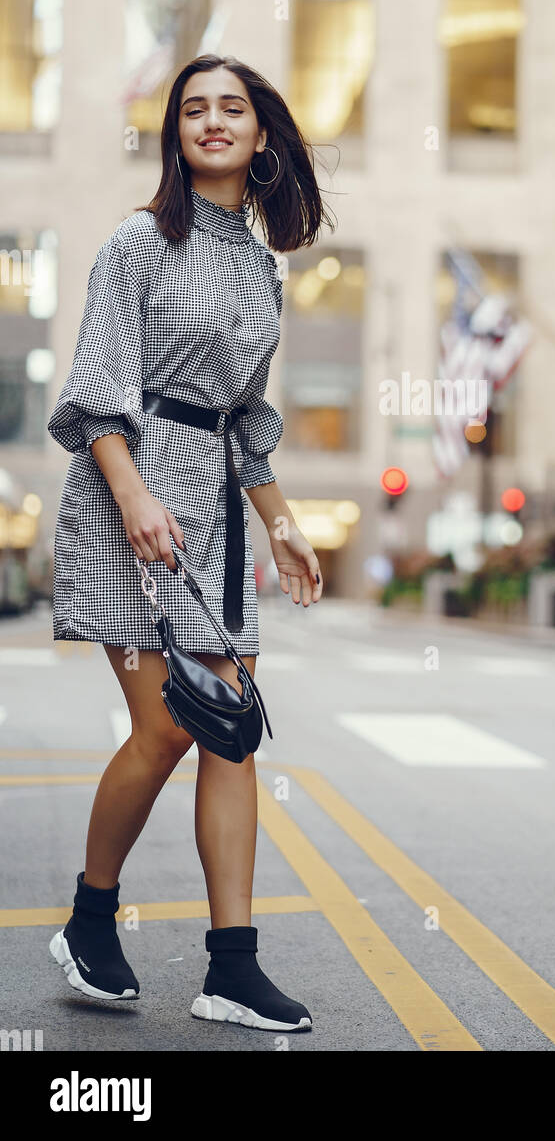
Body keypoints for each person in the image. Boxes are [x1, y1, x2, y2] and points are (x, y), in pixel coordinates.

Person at [45, 54, 334, 1032]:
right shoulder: (139, 242)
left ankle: (232, 965)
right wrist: (130, 496)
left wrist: (283, 528)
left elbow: (246, 419)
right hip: (126, 496)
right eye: (194, 108)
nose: (212, 121)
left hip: (210, 511)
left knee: (231, 729)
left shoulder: (261, 266)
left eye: (233, 108)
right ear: (176, 133)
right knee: (170, 722)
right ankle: (89, 918)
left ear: (261, 136)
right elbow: (94, 393)